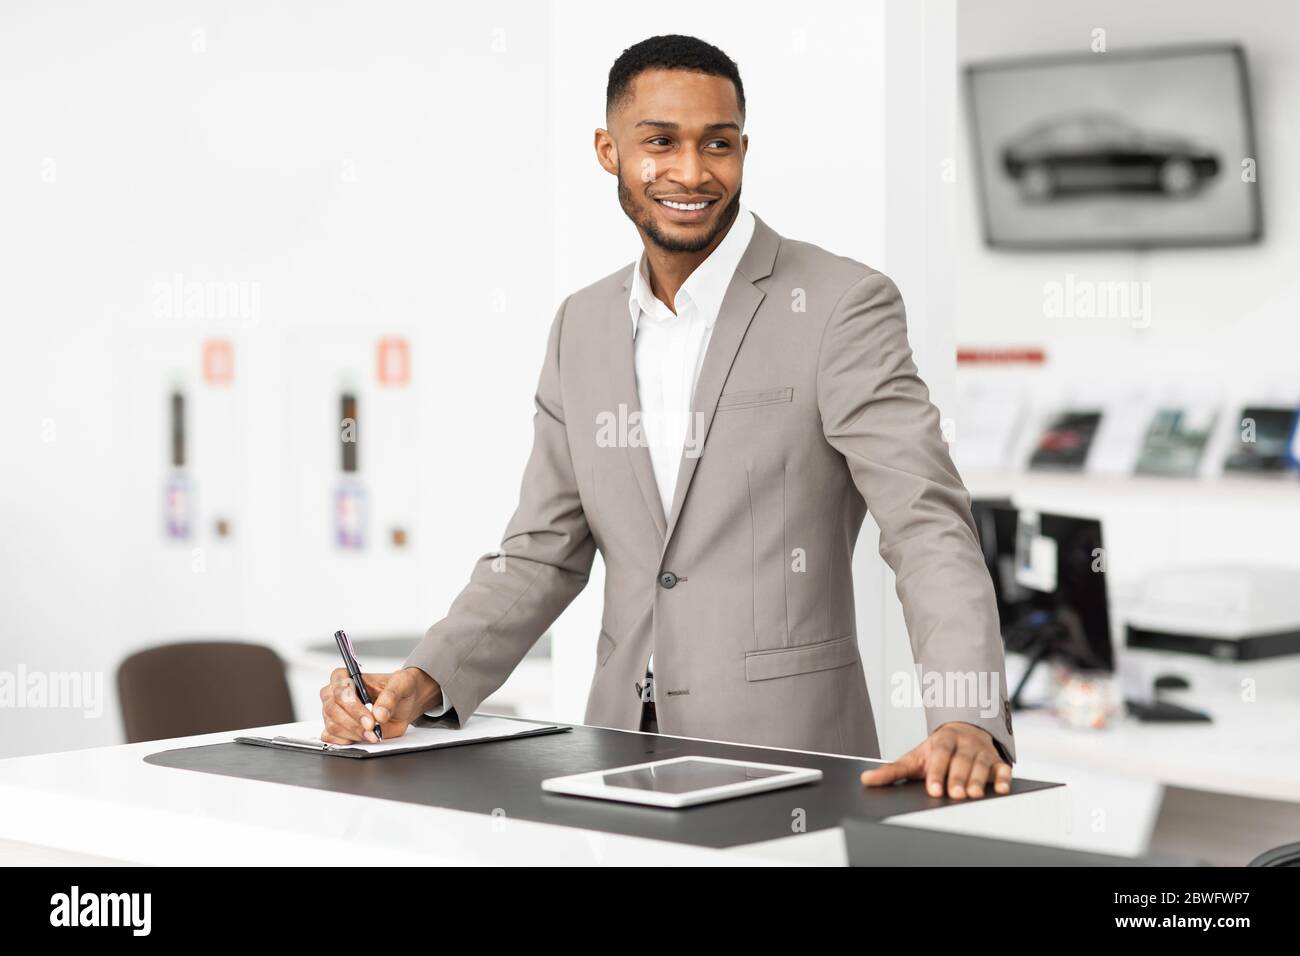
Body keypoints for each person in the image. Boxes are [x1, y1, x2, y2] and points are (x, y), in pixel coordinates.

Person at [322, 34, 1015, 801]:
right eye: (660, 142)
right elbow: (542, 552)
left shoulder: (839, 305)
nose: (692, 172)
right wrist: (424, 678)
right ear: (608, 150)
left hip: (791, 761)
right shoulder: (579, 326)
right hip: (615, 758)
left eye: (717, 144)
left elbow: (925, 524)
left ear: (744, 149)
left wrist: (968, 715)